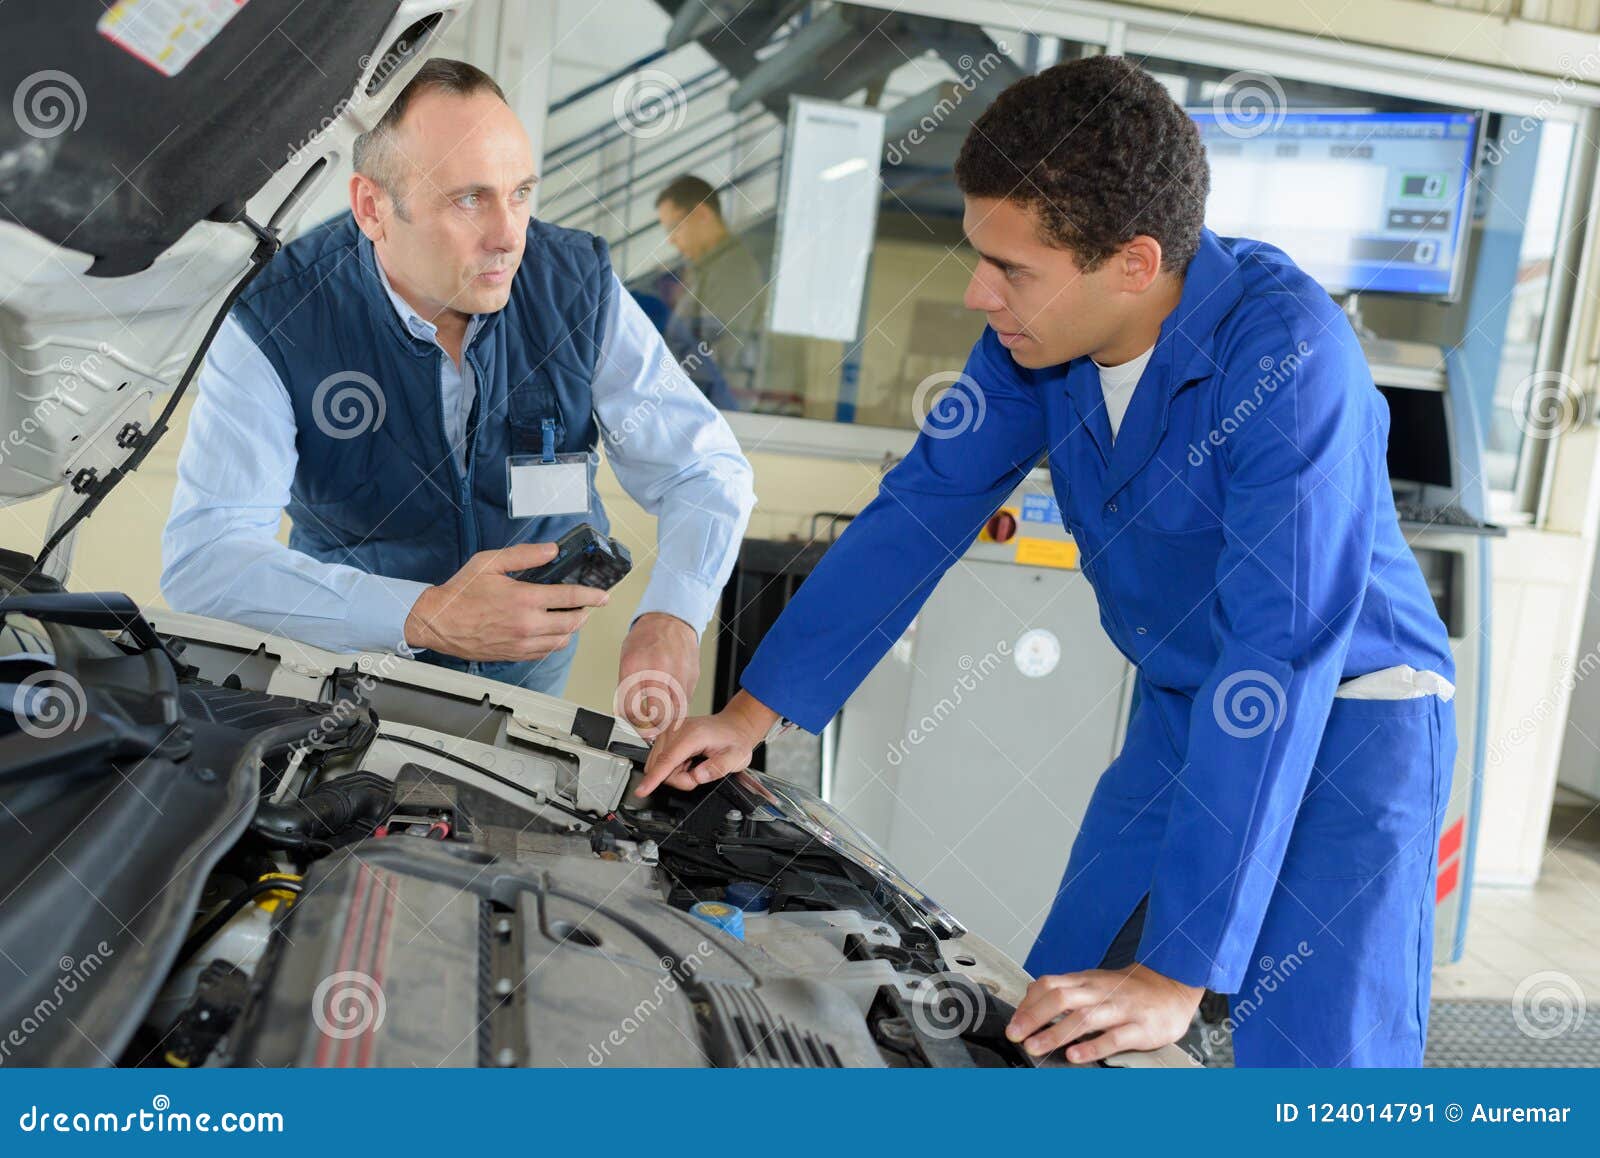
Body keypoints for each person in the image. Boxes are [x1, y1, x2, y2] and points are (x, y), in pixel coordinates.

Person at [636, 56, 1457, 1067]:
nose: (977, 292)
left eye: (1011, 268)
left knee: (1316, 1069)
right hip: (1185, 706)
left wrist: (1176, 975)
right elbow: (921, 509)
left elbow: (1279, 648)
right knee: (1053, 1012)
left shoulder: (1291, 359)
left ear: (1133, 263)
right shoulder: (1034, 342)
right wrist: (748, 715)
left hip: (1349, 718)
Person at [162, 59, 754, 732]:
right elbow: (205, 560)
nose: (509, 236)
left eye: (520, 193)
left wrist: (673, 615)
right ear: (372, 208)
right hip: (352, 678)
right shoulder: (276, 315)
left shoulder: (572, 284)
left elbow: (704, 469)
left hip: (529, 673)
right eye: (469, 199)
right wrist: (426, 615)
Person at [655, 175, 804, 415]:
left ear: (702, 213)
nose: (671, 240)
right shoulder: (707, 270)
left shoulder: (732, 272)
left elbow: (718, 358)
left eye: (674, 227)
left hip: (713, 413)